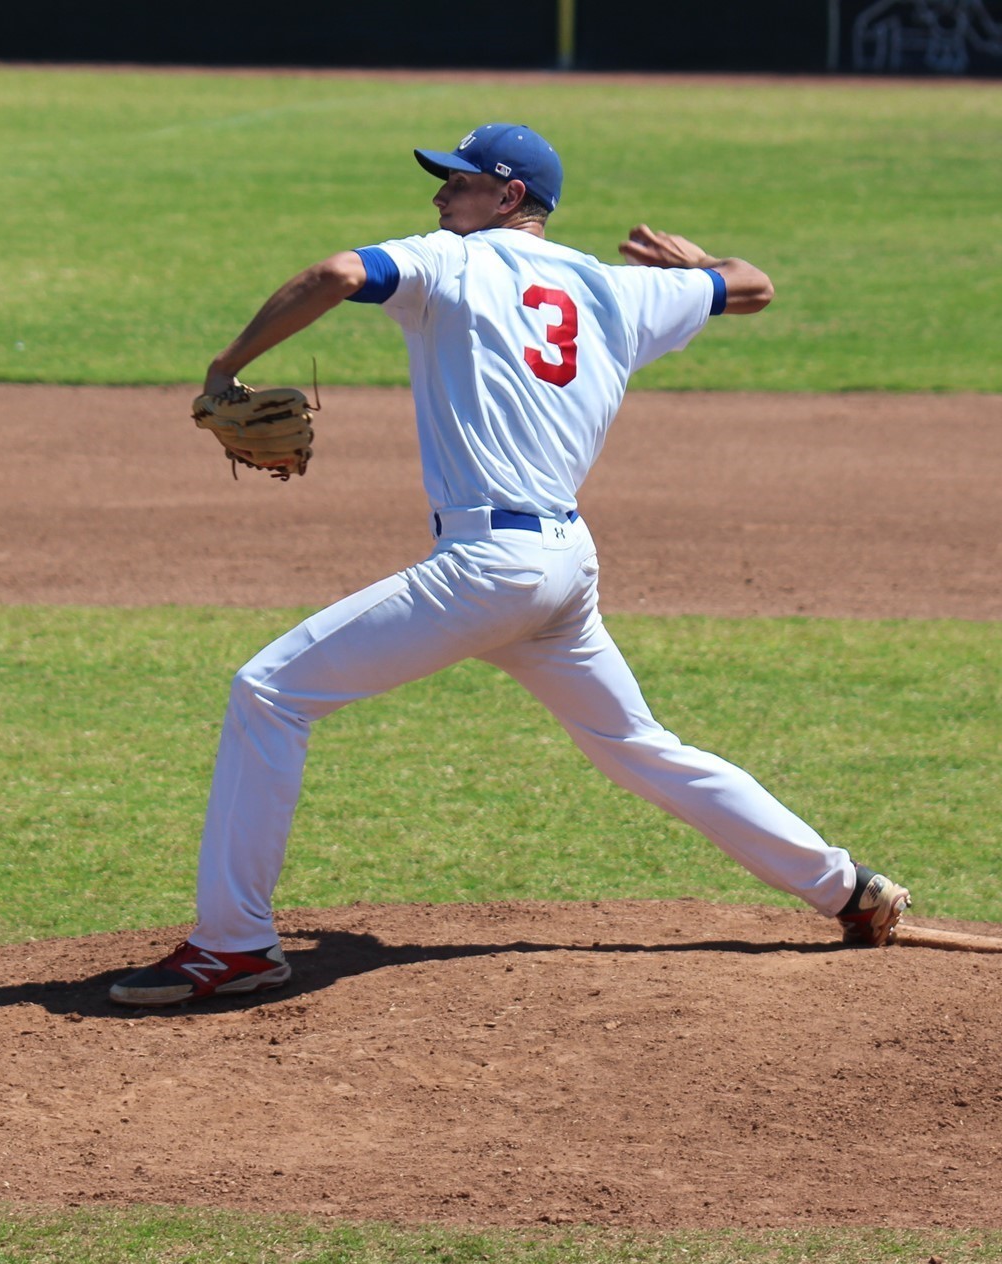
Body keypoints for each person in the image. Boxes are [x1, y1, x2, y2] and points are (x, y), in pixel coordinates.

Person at [110, 124, 911, 1006]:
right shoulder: (617, 290)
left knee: (268, 692)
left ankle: (234, 948)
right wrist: (698, 266)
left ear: (509, 197)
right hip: (562, 567)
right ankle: (849, 889)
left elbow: (336, 274)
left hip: (488, 568)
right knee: (639, 745)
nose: (439, 197)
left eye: (457, 183)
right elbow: (752, 285)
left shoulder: (451, 263)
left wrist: (225, 368)